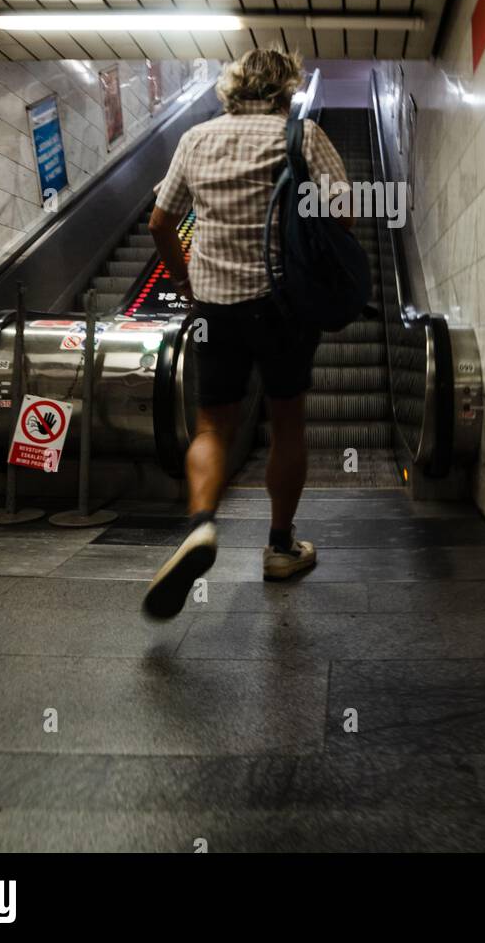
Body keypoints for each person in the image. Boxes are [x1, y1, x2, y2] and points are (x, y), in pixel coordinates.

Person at [142, 48, 350, 620]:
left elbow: (160, 221)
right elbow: (342, 215)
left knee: (213, 423)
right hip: (282, 303)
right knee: (286, 421)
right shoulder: (301, 136)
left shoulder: (196, 138)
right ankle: (281, 547)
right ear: (287, 88)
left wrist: (184, 276)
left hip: (214, 305)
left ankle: (201, 525)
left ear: (231, 88)